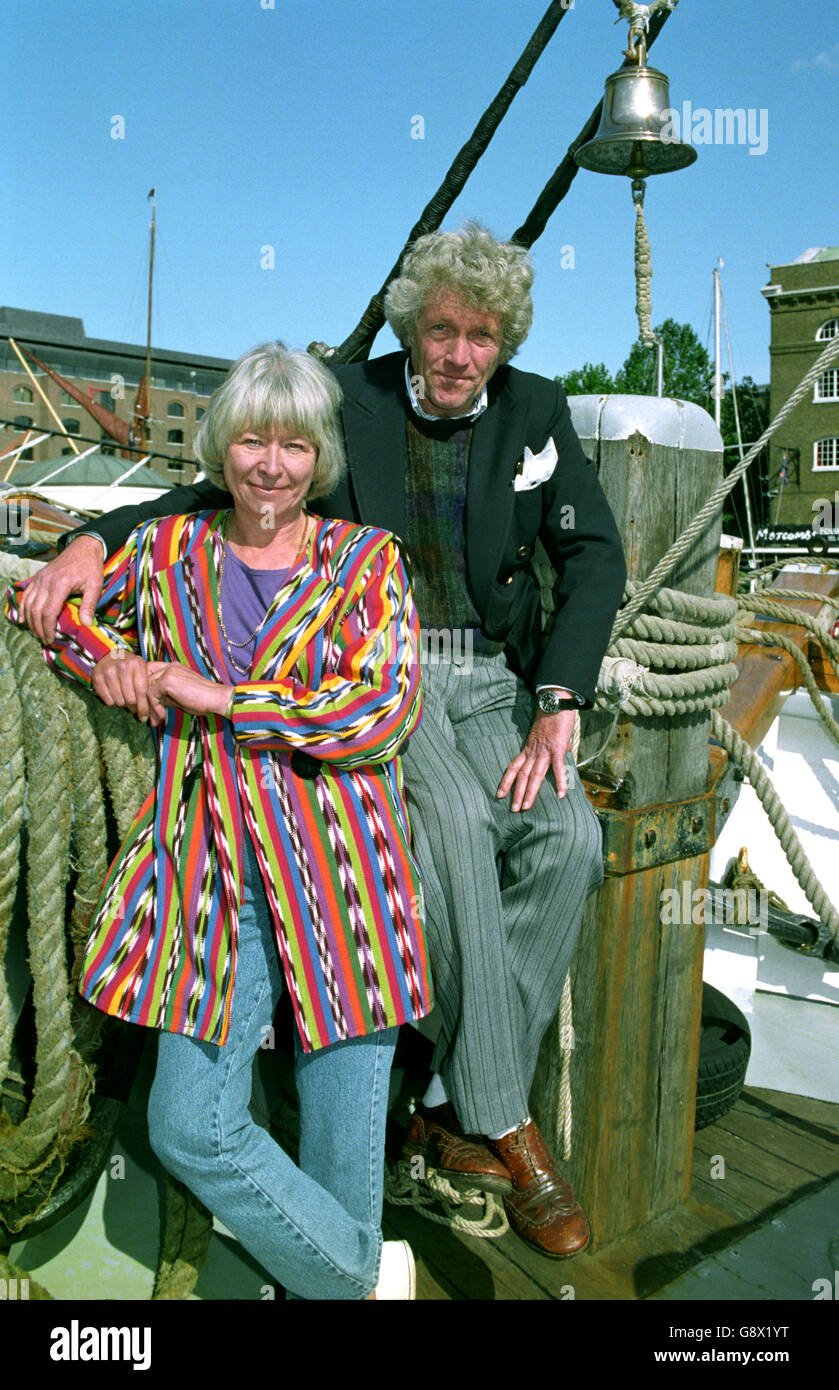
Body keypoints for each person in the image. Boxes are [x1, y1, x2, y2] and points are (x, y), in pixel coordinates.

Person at [18, 222, 627, 1259]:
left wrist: (561, 696)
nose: (456, 353)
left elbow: (595, 551)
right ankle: (501, 1122)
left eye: (480, 335)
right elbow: (222, 486)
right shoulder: (349, 400)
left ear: (503, 340)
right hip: (395, 674)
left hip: (497, 680)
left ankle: (445, 1099)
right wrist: (89, 543)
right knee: (457, 851)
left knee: (571, 841)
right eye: (439, 328)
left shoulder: (536, 410)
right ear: (411, 326)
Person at [5, 342, 433, 1300]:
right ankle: (367, 1278)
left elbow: (381, 712)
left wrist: (226, 698)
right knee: (189, 1126)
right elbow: (40, 609)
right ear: (220, 447)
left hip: (347, 884)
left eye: (291, 444)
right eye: (250, 440)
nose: (270, 464)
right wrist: (103, 661)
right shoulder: (164, 551)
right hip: (210, 879)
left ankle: (344, 1274)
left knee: (338, 1167)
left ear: (317, 457)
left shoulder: (368, 563)